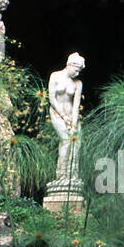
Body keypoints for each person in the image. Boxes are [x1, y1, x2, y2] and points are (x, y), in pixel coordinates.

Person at [49, 52, 84, 185]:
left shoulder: (78, 83)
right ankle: (61, 176)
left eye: (80, 71)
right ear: (69, 65)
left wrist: (74, 122)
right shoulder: (55, 76)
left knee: (76, 142)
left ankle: (72, 175)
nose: (77, 73)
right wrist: (63, 116)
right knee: (66, 141)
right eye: (76, 69)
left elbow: (76, 106)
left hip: (71, 115)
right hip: (57, 113)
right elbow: (52, 98)